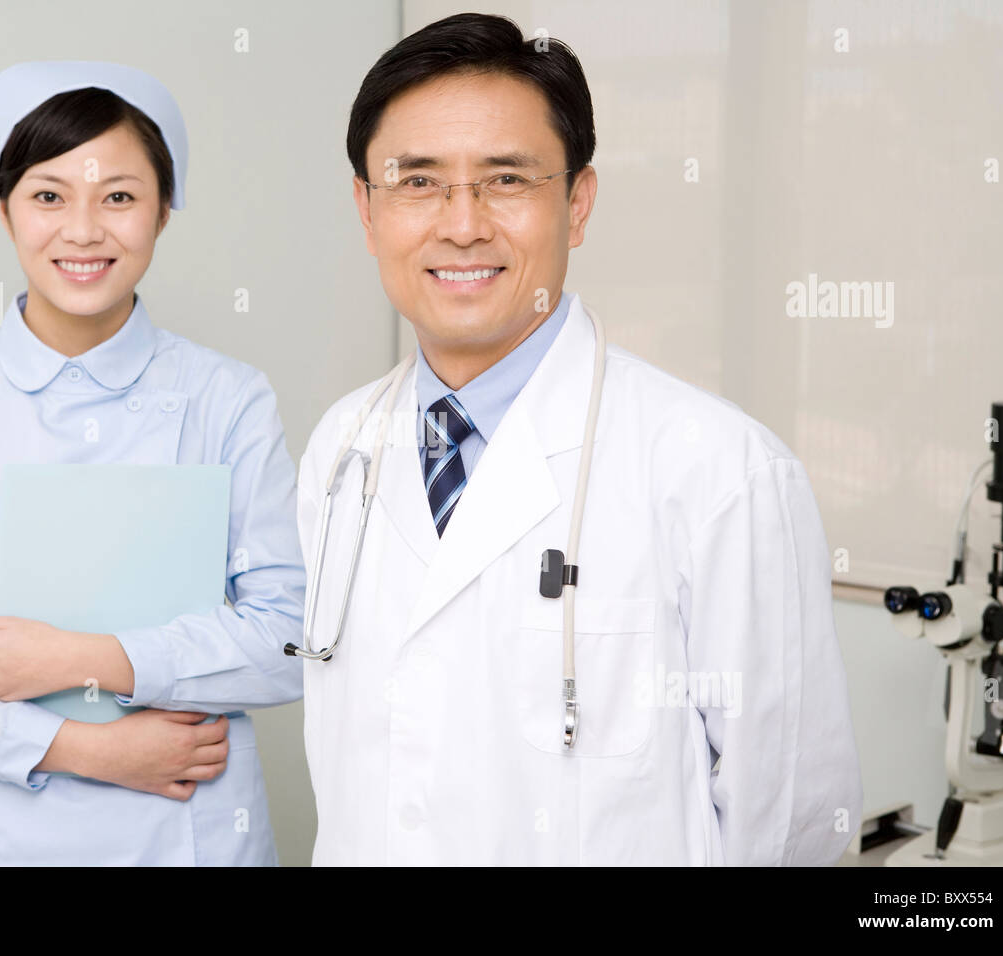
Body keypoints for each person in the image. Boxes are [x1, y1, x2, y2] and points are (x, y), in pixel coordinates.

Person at [296, 14, 863, 865]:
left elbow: (790, 823)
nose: (461, 224)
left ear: (578, 202)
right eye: (417, 183)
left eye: (505, 180)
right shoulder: (341, 448)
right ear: (366, 209)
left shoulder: (719, 470)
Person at [0, 61, 304, 866]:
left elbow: (291, 640)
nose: (84, 231)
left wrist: (90, 660)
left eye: (119, 196)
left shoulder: (228, 400)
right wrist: (84, 748)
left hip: (188, 831)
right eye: (49, 195)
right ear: (7, 211)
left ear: (163, 212)